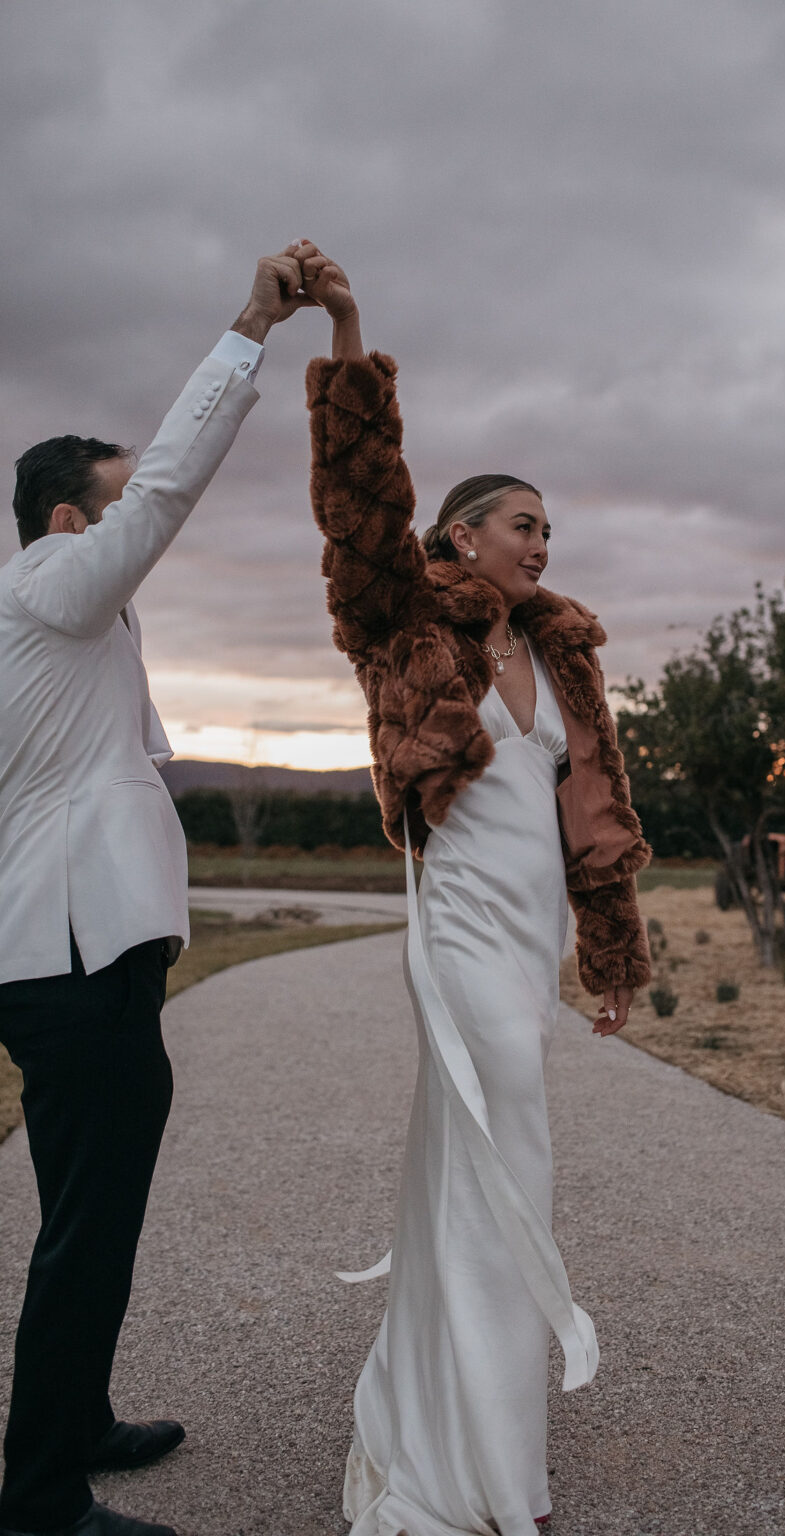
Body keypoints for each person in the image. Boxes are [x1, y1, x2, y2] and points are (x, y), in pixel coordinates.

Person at [298, 241, 652, 1536]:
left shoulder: (562, 661)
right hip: (457, 939)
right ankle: (478, 1468)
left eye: (552, 527)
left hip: (530, 941)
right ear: (460, 535)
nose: (544, 542)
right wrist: (344, 333)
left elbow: (597, 826)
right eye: (524, 522)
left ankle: (471, 1422)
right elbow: (351, 506)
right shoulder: (410, 624)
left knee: (482, 1167)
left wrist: (610, 956)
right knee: (512, 1147)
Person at [0, 246, 313, 1536]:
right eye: (118, 508)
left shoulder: (69, 626)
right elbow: (171, 485)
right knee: (88, 1221)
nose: (146, 532)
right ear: (73, 521)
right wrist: (250, 331)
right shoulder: (54, 586)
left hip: (74, 955)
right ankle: (38, 1500)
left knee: (87, 1205)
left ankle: (73, 1426)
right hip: (72, 962)